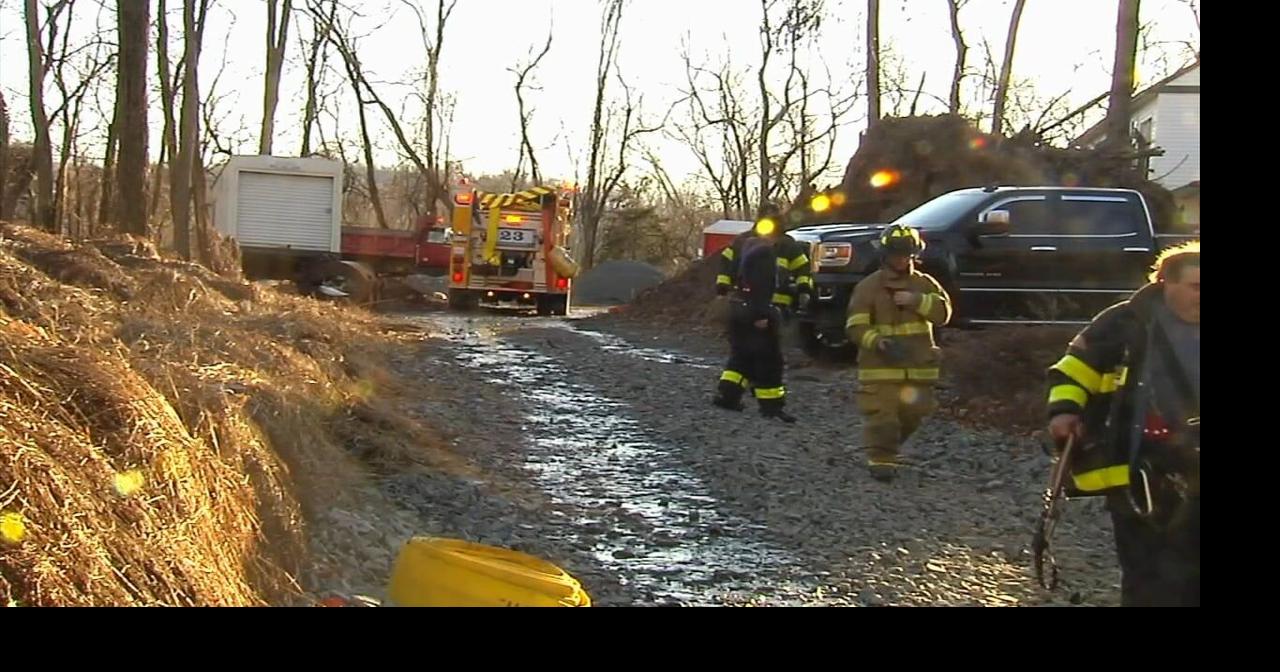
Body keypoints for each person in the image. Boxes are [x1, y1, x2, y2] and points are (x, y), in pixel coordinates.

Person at [1046, 240, 1199, 606]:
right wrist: (1064, 412)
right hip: (1140, 468)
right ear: (1165, 283)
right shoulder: (1123, 322)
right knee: (1148, 571)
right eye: (1197, 286)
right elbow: (1073, 371)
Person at [843, 224, 952, 481]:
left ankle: (888, 447)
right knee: (883, 416)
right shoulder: (868, 287)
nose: (902, 260)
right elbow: (855, 326)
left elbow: (943, 314)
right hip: (880, 367)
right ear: (885, 255)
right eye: (896, 255)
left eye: (906, 255)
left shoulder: (925, 283)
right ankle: (881, 460)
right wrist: (878, 342)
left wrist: (917, 301)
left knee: (913, 414)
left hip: (918, 367)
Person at [711, 207, 810, 422]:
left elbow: (803, 269)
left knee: (743, 355)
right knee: (769, 360)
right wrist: (724, 288)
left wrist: (804, 289)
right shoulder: (757, 250)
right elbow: (729, 268)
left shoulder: (785, 245)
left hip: (748, 309)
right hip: (762, 311)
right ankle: (771, 407)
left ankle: (728, 395)